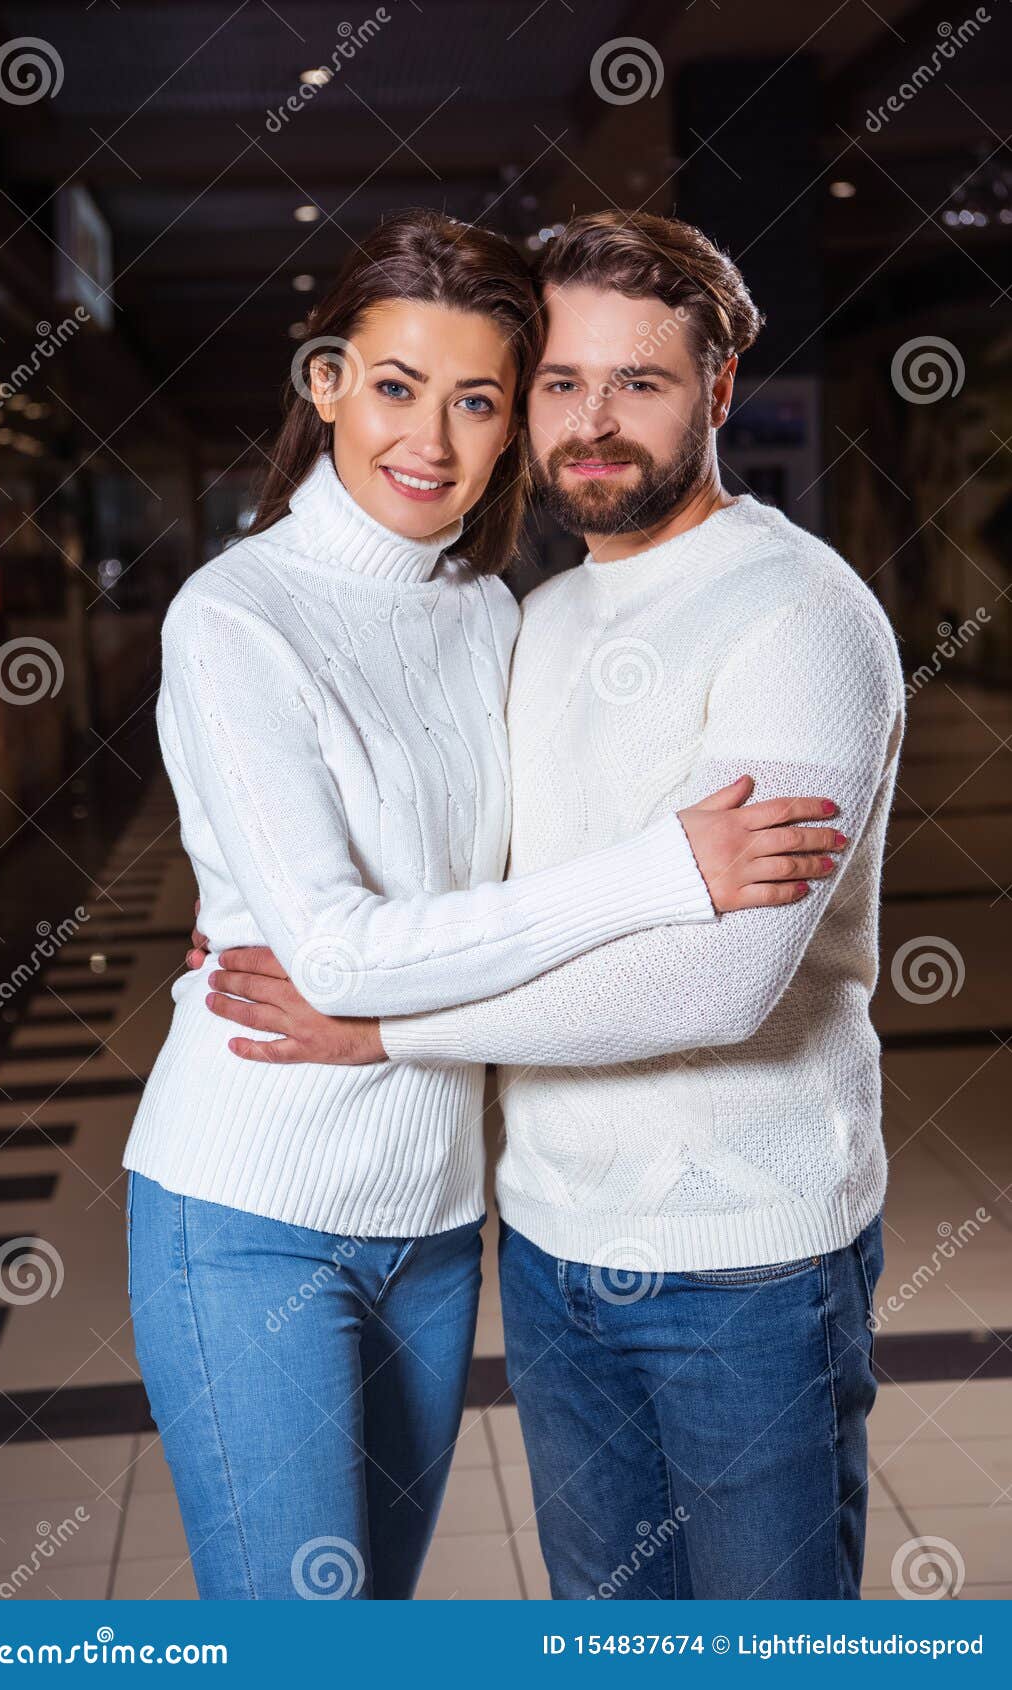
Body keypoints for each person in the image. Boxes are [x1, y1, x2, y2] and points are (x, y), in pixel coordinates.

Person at [187, 211, 903, 1601]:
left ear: (720, 390)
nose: (591, 422)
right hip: (557, 1252)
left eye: (640, 383)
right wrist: (272, 888)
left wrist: (382, 1028)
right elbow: (487, 885)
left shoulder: (801, 617)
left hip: (746, 1263)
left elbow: (715, 985)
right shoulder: (541, 614)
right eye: (560, 383)